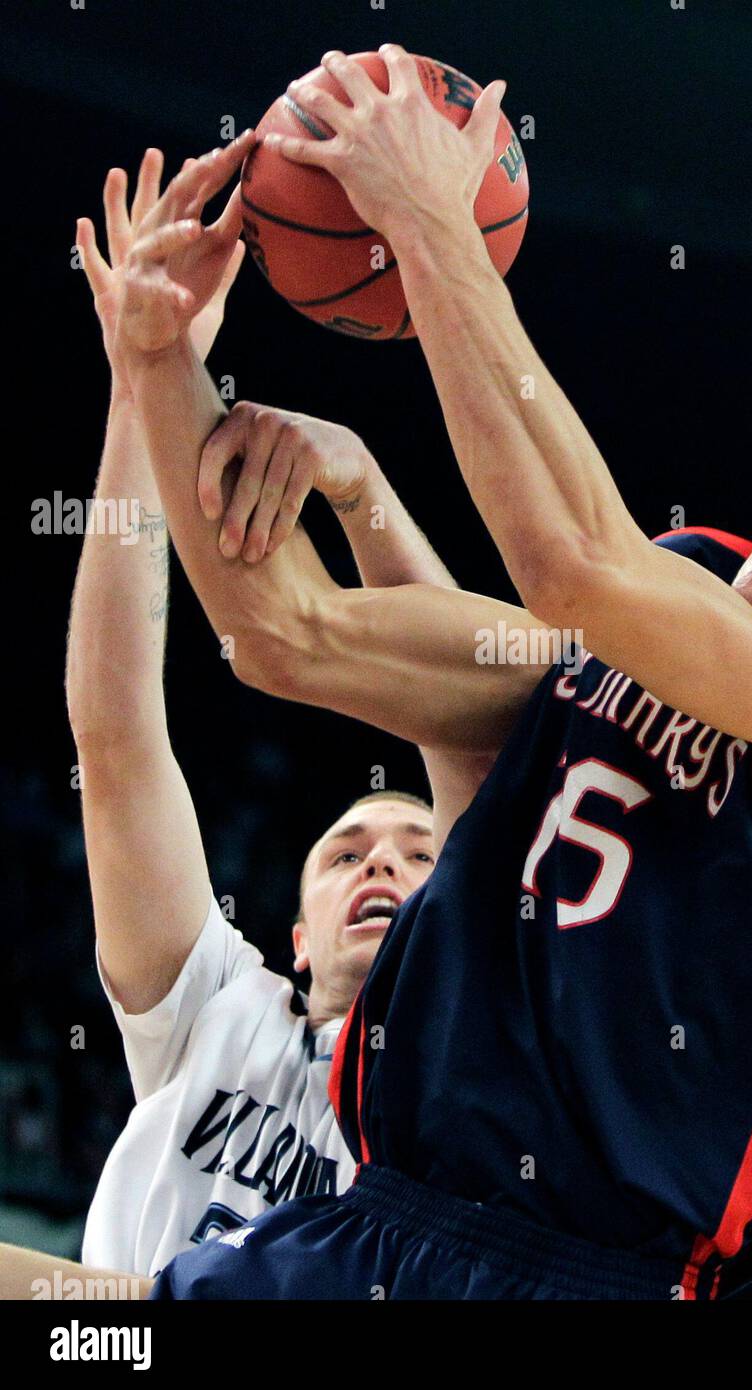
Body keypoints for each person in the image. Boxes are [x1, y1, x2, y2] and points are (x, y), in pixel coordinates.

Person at [113, 46, 752, 1300]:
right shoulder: (633, 630)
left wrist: (429, 223)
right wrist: (159, 361)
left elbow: (573, 561)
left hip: (580, 1276)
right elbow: (283, 635)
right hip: (362, 1226)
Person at [66, 151, 445, 1278]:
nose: (378, 862)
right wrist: (147, 378)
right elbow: (119, 732)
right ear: (293, 935)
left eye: (423, 849)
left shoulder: (494, 1083)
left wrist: (366, 485)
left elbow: (475, 726)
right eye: (344, 853)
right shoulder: (218, 1015)